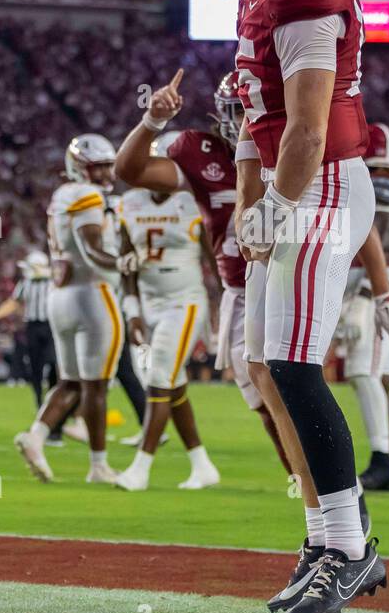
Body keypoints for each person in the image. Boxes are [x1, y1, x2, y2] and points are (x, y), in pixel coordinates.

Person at [191, 0, 389, 613]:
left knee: (291, 364)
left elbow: (309, 129)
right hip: (293, 186)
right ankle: (324, 540)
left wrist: (274, 206)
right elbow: (257, 124)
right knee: (262, 364)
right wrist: (249, 213)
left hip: (318, 186)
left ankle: (349, 549)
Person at [114, 70, 292, 472]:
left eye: (249, 109)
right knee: (265, 407)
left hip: (288, 284)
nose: (242, 120)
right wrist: (152, 120)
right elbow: (128, 171)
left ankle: (340, 501)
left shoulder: (291, 143)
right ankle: (313, 506)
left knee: (291, 396)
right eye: (235, 110)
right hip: (241, 291)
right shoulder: (200, 150)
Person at [13, 135, 123, 484]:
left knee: (71, 382)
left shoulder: (62, 194)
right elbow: (92, 249)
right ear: (81, 168)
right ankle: (99, 465)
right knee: (97, 385)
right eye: (99, 166)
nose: (106, 172)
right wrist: (129, 263)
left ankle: (36, 436)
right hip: (92, 292)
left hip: (59, 296)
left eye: (109, 164)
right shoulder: (87, 195)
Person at [114, 170, 221, 491]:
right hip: (149, 304)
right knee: (173, 385)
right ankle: (202, 466)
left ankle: (140, 469)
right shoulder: (129, 204)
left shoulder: (189, 203)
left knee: (159, 376)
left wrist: (227, 301)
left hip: (185, 301)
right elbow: (125, 263)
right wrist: (132, 312)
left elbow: (213, 258)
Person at [340, 123, 389, 491]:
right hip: (384, 283)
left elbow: (382, 244)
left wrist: (365, 294)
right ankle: (381, 456)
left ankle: (383, 460)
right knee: (375, 377)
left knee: (364, 372)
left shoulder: (383, 187)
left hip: (380, 285)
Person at [0, 250, 55, 410]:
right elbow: (13, 303)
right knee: (36, 365)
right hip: (33, 327)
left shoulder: (53, 283)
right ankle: (39, 400)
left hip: (50, 326)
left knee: (54, 363)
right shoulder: (25, 284)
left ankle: (53, 395)